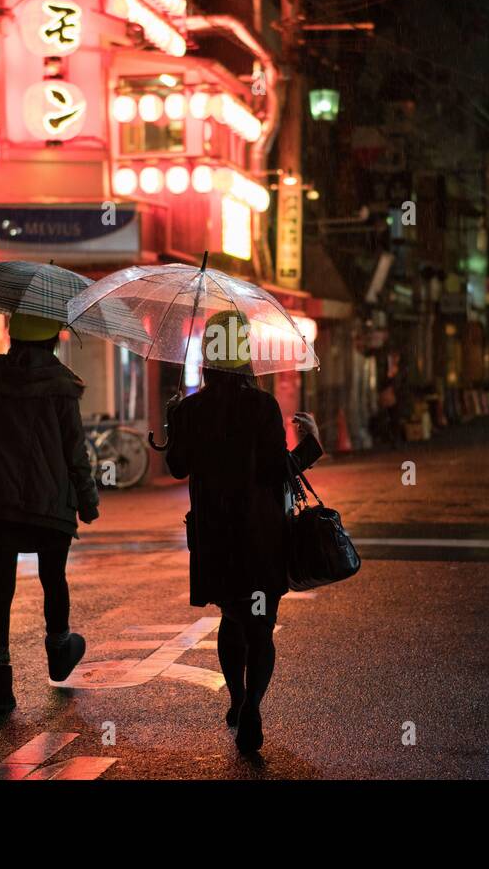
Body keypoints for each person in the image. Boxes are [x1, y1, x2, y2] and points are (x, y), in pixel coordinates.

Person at [165, 309, 323, 754]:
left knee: (230, 618)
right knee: (260, 627)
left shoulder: (193, 409)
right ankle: (253, 704)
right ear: (246, 355)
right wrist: (310, 446)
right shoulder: (262, 406)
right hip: (260, 537)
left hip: (215, 537)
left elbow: (177, 467)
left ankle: (237, 700)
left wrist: (175, 420)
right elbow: (277, 472)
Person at [0, 312, 100, 714]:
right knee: (52, 577)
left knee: (0, 589)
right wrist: (88, 501)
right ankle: (59, 651)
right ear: (53, 340)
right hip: (50, 503)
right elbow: (75, 452)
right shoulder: (60, 386)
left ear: (12, 334)